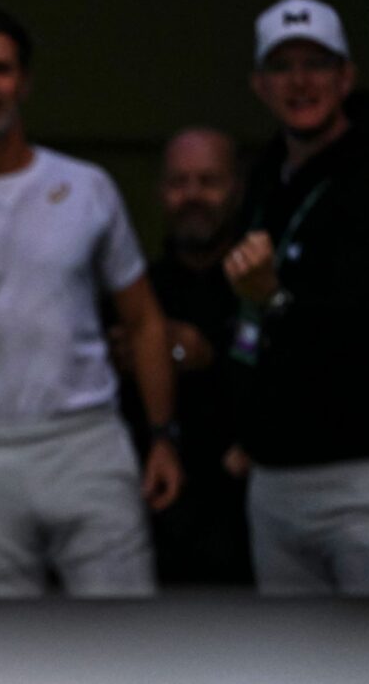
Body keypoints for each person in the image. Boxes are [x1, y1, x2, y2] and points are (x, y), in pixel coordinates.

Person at [0, 5, 182, 598]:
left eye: (0, 69)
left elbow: (144, 319)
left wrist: (164, 435)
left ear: (24, 81)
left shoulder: (87, 187)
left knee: (124, 646)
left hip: (88, 442)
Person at [225, 0, 369, 595]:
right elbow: (247, 314)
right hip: (275, 477)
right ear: (259, 84)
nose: (300, 81)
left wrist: (277, 299)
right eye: (283, 66)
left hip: (366, 473)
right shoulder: (266, 172)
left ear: (347, 76)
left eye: (317, 63)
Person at [113, 128, 253, 586]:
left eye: (208, 181)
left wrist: (211, 356)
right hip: (151, 511)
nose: (193, 195)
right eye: (179, 182)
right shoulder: (136, 289)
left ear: (237, 188)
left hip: (244, 512)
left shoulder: (259, 286)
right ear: (159, 193)